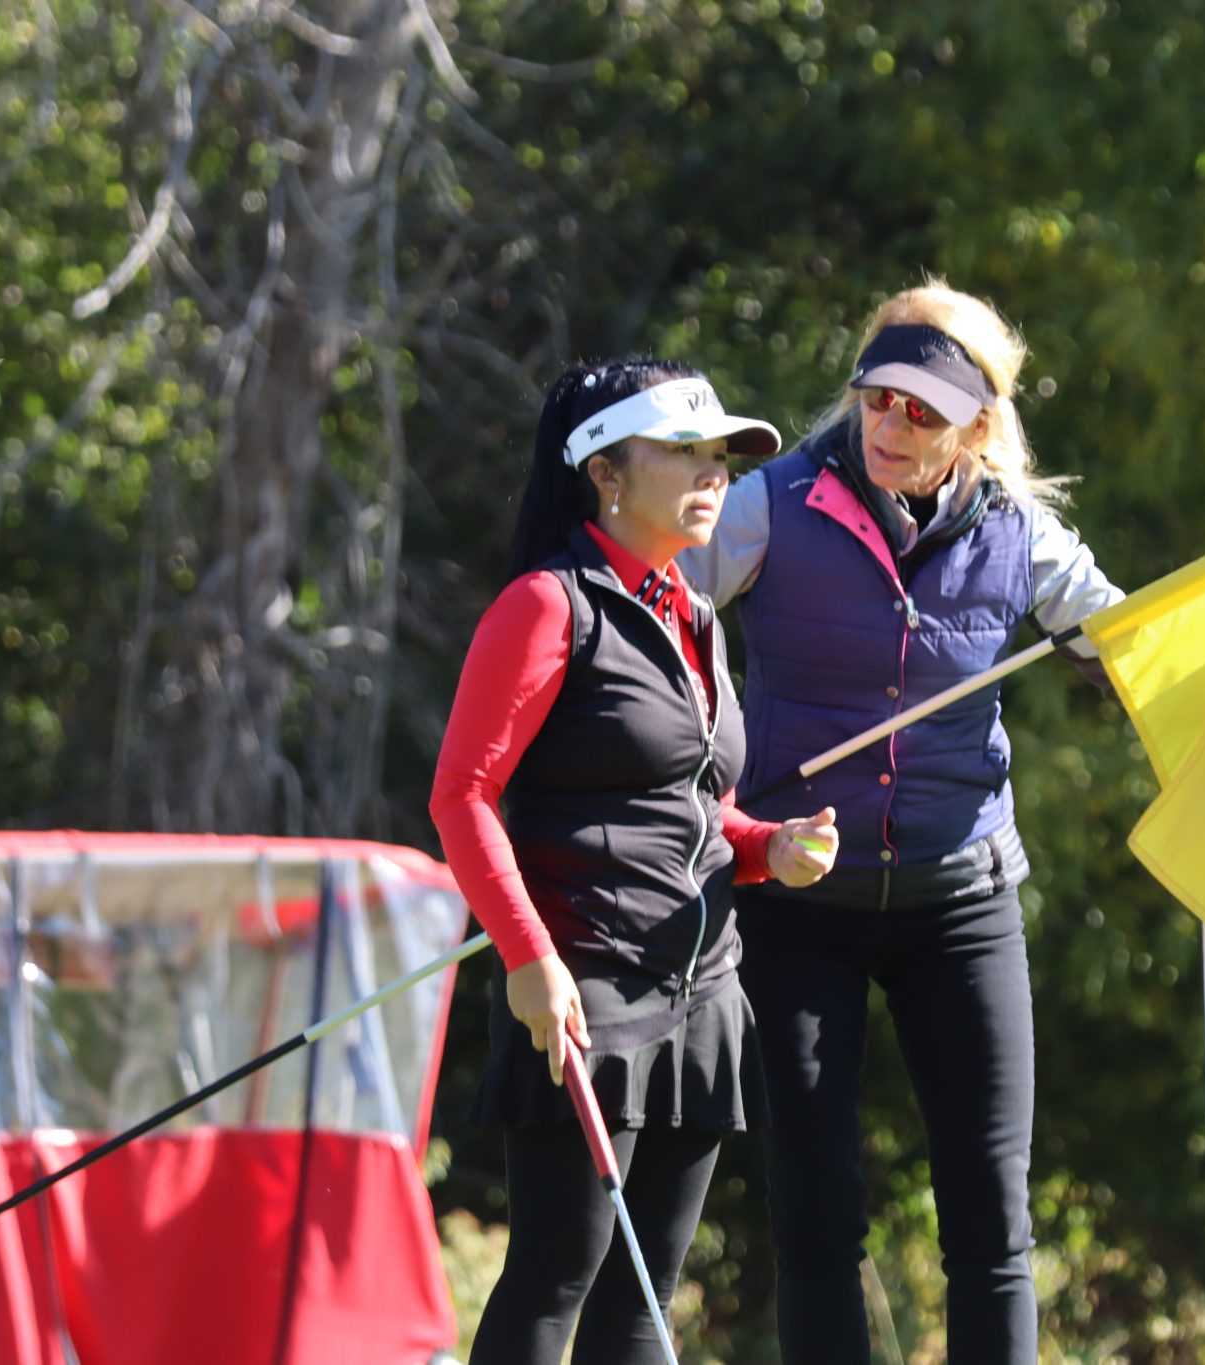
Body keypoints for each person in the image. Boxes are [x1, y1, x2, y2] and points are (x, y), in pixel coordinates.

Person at [678, 282, 1125, 1363]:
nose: (888, 427)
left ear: (976, 424)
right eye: (876, 399)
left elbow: (1132, 641)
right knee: (817, 1222)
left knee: (992, 1226)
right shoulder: (768, 504)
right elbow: (650, 622)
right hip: (797, 902)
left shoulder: (1022, 533)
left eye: (921, 412)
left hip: (959, 900)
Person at [430, 358, 840, 1365]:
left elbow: (701, 807)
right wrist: (529, 959)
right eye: (686, 455)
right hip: (587, 990)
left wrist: (766, 849)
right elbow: (461, 796)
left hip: (703, 994)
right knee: (557, 1275)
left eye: (719, 458)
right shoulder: (543, 606)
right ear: (606, 472)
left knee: (646, 1293)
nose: (713, 476)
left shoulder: (694, 614)